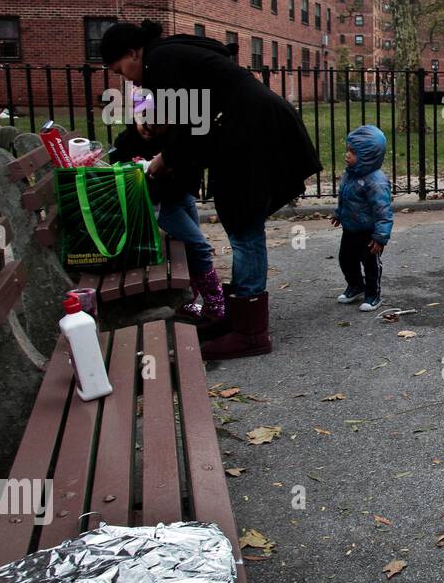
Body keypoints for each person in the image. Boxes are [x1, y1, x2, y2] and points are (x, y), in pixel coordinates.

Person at [99, 19, 321, 360]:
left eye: (120, 69)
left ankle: (250, 333)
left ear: (132, 53)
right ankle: (237, 317)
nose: (126, 79)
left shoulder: (160, 62)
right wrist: (160, 138)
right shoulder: (170, 55)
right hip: (249, 131)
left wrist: (164, 159)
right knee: (238, 219)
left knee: (244, 226)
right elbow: (191, 116)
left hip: (253, 134)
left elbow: (192, 126)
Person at [108, 85, 222, 326]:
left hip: (181, 197)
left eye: (156, 122)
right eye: (144, 120)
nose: (149, 128)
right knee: (199, 247)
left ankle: (188, 301)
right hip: (159, 204)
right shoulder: (129, 140)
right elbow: (118, 169)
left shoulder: (175, 140)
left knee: (193, 247)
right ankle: (214, 305)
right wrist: (144, 170)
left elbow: (193, 165)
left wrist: (171, 167)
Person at [331, 125, 393, 312]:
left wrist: (380, 237)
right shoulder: (350, 174)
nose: (347, 155)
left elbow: (383, 211)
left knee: (371, 265)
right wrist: (338, 213)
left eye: (353, 152)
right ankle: (356, 285)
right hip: (350, 229)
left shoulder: (376, 182)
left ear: (367, 156)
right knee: (346, 259)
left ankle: (373, 294)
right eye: (348, 150)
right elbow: (345, 197)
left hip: (369, 233)